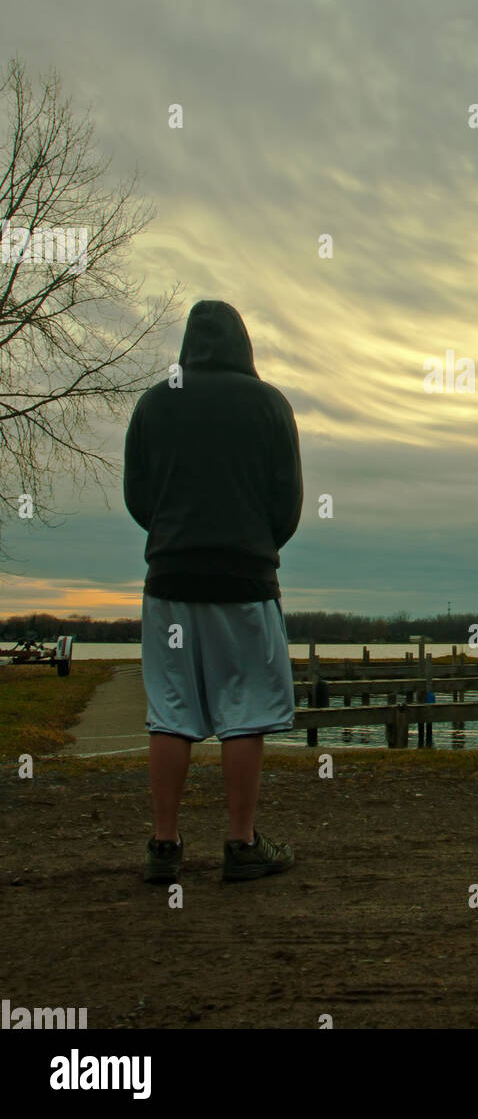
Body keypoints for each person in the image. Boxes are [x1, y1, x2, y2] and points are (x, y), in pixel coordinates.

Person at [123, 300, 303, 884]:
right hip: (244, 581)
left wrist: (175, 537)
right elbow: (288, 504)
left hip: (171, 579)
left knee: (170, 712)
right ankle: (241, 844)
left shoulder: (154, 402)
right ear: (243, 344)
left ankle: (164, 848)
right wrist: (252, 542)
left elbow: (138, 496)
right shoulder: (270, 404)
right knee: (244, 710)